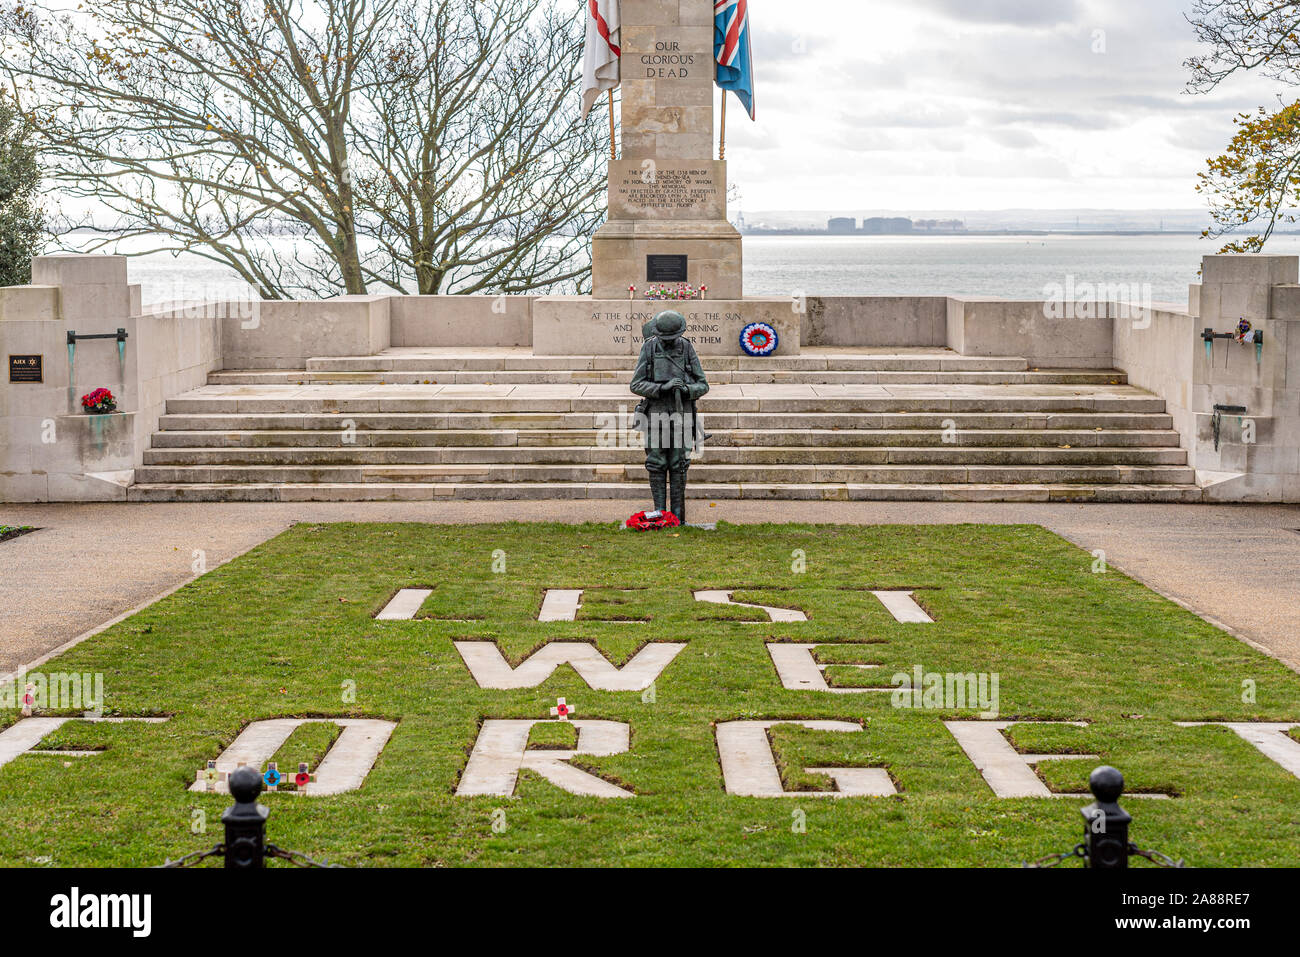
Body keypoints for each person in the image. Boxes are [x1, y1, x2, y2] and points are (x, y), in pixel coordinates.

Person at [630, 310, 710, 525]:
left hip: (682, 414)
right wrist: (662, 387)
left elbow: (703, 384)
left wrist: (686, 389)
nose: (668, 342)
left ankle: (676, 516)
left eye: (671, 339)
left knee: (679, 463)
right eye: (664, 339)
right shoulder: (649, 347)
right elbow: (636, 384)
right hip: (655, 413)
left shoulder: (686, 347)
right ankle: (659, 514)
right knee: (656, 463)